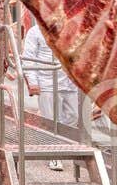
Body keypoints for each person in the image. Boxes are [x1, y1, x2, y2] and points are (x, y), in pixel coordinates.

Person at [19, 15, 78, 169]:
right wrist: (33, 82)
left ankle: (58, 144)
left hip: (69, 82)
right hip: (47, 83)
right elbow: (28, 58)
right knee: (50, 120)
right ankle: (54, 155)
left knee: (73, 116)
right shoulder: (35, 32)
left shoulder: (70, 28)